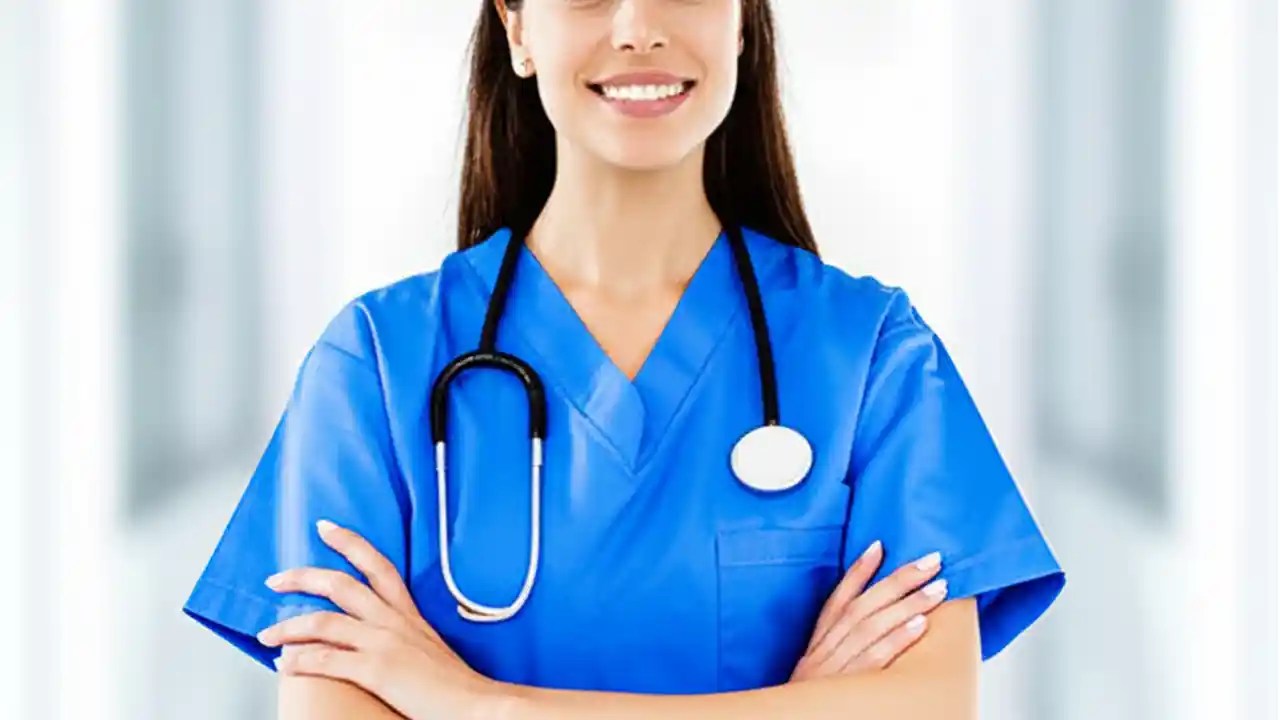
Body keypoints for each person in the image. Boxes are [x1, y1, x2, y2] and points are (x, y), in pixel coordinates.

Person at [182, 1, 1066, 717]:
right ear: (518, 28)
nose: (640, 25)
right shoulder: (376, 365)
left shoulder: (871, 354)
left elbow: (929, 705)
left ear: (742, 23)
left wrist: (466, 702)